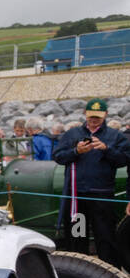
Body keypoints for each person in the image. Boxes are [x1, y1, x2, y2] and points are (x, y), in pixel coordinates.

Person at [53, 99, 130, 266]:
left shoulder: (115, 136)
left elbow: (124, 159)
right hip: (77, 198)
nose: (94, 120)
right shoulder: (72, 134)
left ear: (105, 115)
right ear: (85, 115)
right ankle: (77, 273)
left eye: (98, 117)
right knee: (77, 236)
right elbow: (58, 156)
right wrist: (76, 151)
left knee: (105, 238)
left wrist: (106, 149)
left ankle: (110, 273)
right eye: (91, 116)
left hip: (101, 197)